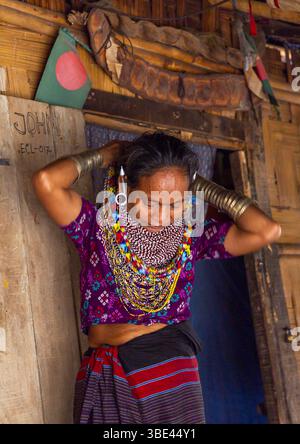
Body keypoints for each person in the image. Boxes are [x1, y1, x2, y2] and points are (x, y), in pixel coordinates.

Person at [31, 131, 281, 424]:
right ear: (126, 188)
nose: (162, 216)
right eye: (151, 202)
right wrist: (103, 156)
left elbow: (267, 231)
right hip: (109, 374)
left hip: (171, 379)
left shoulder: (190, 238)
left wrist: (200, 184)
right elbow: (46, 182)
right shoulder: (97, 229)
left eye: (175, 203)